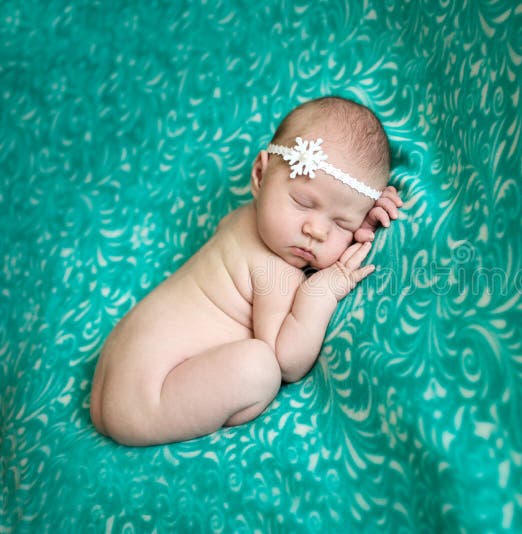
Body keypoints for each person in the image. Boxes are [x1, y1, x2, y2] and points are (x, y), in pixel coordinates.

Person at [90, 96, 402, 446]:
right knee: (261, 368)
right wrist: (325, 290)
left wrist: (363, 229)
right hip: (144, 401)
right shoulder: (274, 269)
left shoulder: (240, 219)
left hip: (116, 372)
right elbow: (289, 361)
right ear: (260, 173)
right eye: (302, 203)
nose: (316, 231)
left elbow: (324, 210)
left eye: (342, 224)